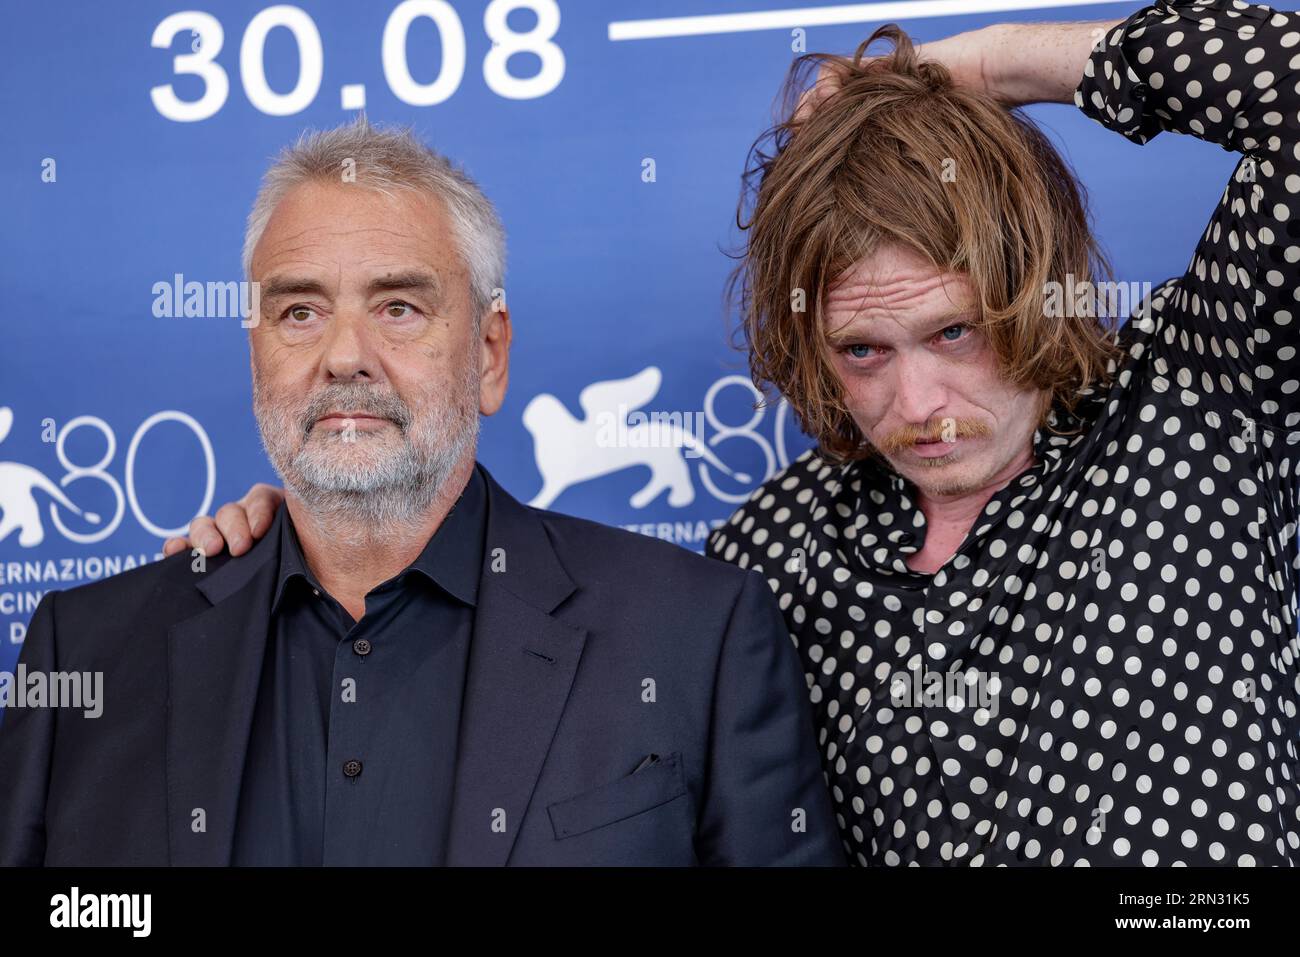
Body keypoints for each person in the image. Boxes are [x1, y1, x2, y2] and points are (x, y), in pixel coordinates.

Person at [158, 0, 1300, 867]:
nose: (921, 405)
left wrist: (984, 70)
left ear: (1027, 288)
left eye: (956, 333)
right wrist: (312, 542)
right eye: (864, 353)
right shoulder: (770, 557)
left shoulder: (1194, 398)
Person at [0, 117, 844, 867]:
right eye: (300, 312)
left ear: (488, 353)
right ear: (254, 350)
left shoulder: (695, 635)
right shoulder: (89, 651)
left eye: (399, 306)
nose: (343, 356)